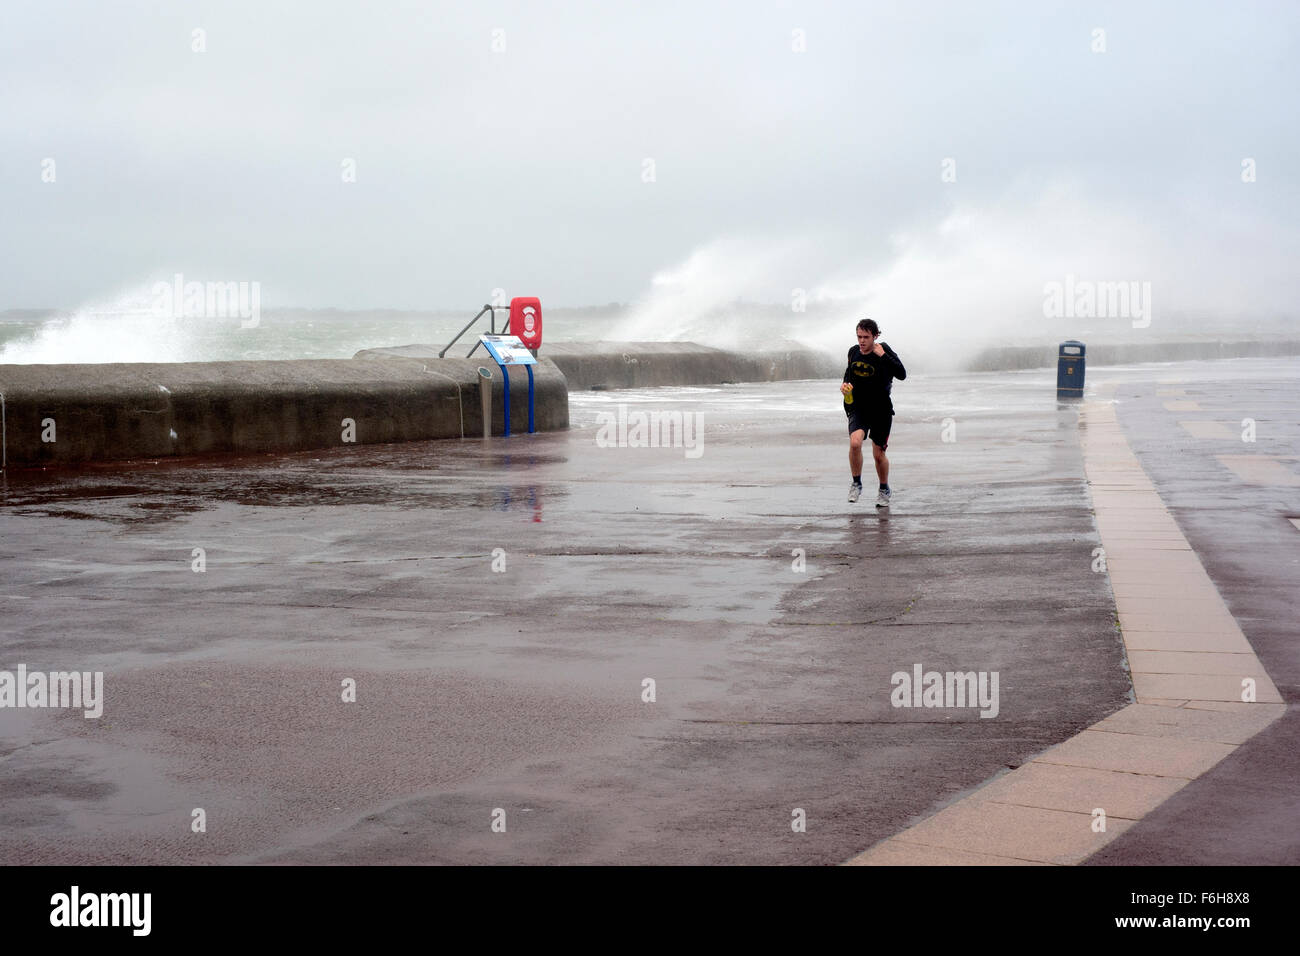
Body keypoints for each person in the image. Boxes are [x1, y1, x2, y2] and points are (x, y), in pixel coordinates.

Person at [840, 318, 905, 506]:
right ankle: (856, 483)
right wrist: (845, 386)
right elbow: (848, 374)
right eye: (859, 336)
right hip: (858, 407)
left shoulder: (883, 350)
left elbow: (902, 374)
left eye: (866, 337)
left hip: (881, 410)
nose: (861, 341)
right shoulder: (853, 352)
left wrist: (883, 355)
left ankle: (884, 488)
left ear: (875, 336)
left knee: (878, 455)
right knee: (855, 443)